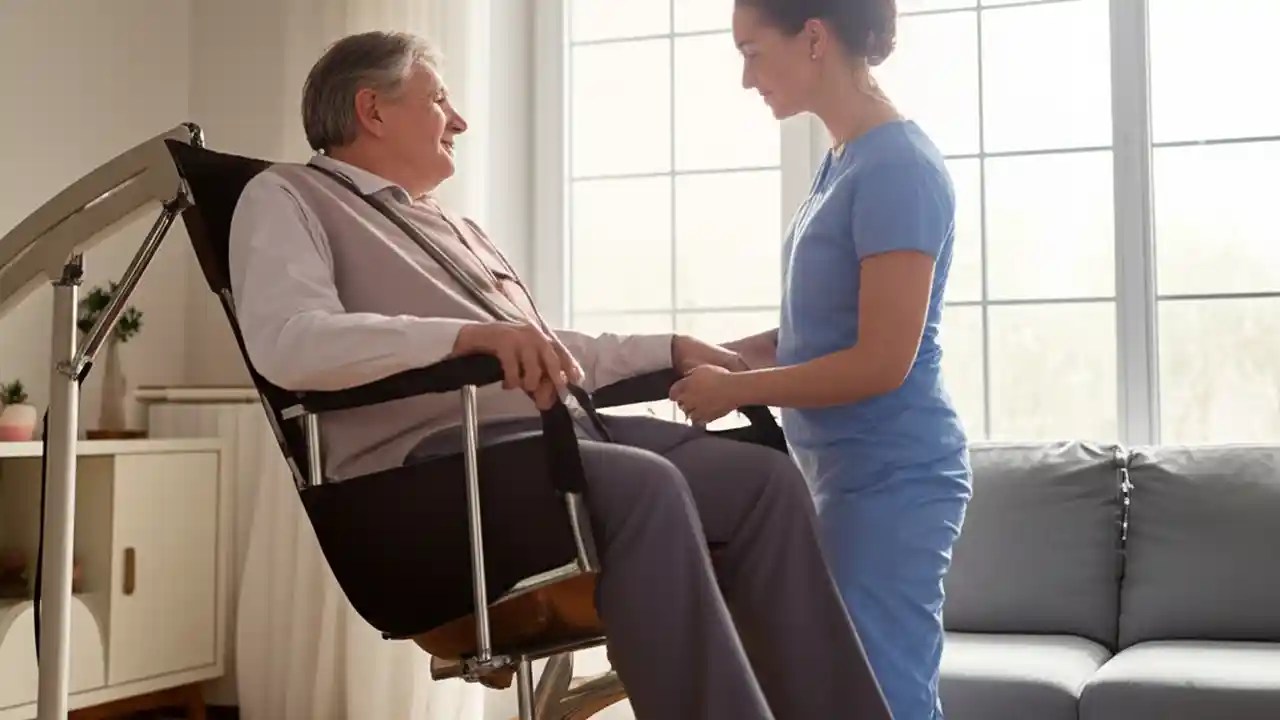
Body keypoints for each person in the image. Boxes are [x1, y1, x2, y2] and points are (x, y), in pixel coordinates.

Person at [228, 30, 891, 720]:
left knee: (763, 481)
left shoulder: (457, 229)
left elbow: (547, 350)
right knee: (646, 485)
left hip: (553, 443)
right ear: (372, 110)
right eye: (440, 100)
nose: (459, 121)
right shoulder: (288, 196)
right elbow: (289, 343)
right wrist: (466, 336)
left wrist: (671, 349)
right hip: (428, 475)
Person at [670, 1, 973, 718]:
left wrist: (736, 391)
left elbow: (881, 361)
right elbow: (818, 333)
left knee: (880, 699)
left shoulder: (898, 167)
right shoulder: (844, 159)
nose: (747, 79)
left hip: (893, 479)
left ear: (813, 38)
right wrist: (719, 359)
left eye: (752, 52)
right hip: (839, 476)